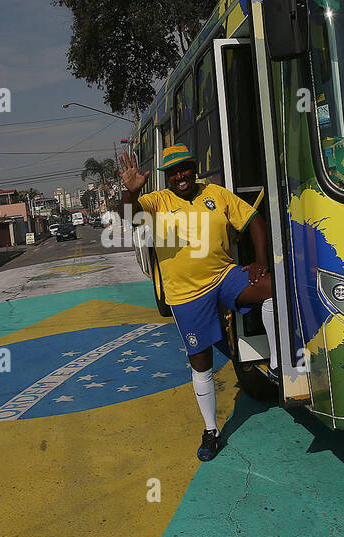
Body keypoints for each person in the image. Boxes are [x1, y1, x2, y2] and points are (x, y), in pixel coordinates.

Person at [119, 144, 278, 462]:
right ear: (166, 178)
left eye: (185, 168)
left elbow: (253, 220)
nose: (181, 175)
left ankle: (278, 365)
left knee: (272, 288)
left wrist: (260, 261)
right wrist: (130, 193)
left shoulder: (216, 194)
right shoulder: (155, 202)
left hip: (224, 277)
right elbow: (126, 218)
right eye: (174, 172)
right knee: (200, 360)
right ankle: (211, 431)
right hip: (186, 295)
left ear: (195, 167)